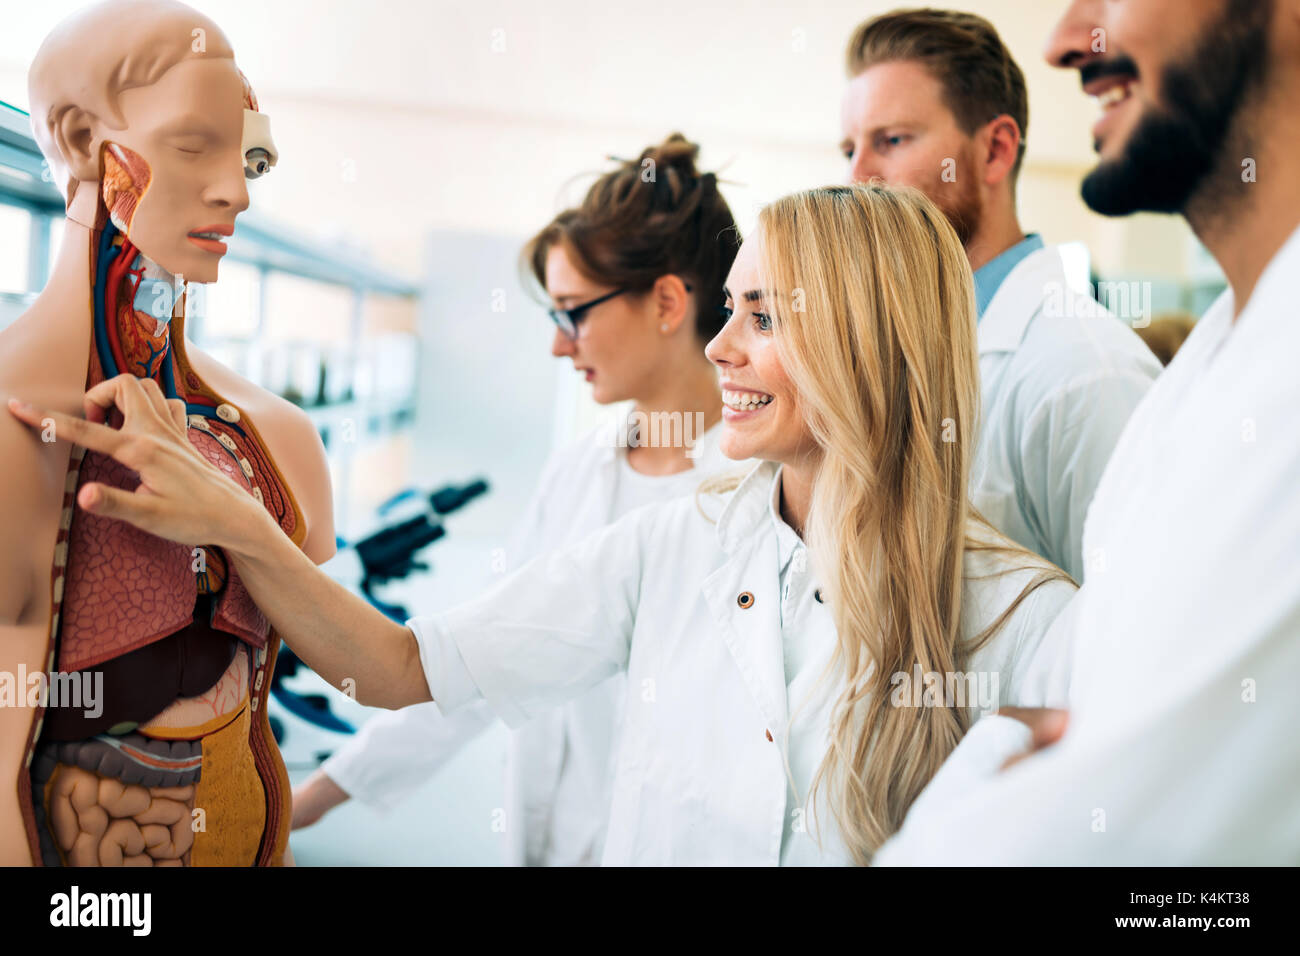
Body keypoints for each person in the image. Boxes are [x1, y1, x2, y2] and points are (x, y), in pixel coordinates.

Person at [10, 183, 1078, 865]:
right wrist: (235, 519)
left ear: (861, 342)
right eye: (729, 309)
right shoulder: (680, 542)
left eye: (763, 316)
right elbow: (395, 664)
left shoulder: (1020, 616)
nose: (720, 347)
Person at [872, 0, 1300, 865]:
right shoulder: (1209, 374)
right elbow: (1056, 700)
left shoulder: (1102, 371)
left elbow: (1136, 834)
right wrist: (1011, 755)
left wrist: (1020, 768)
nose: (1068, 41)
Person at [292, 134, 742, 866]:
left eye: (574, 312)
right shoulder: (579, 471)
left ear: (666, 301)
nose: (559, 347)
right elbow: (477, 663)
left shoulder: (760, 498)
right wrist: (308, 801)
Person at [839, 8, 1161, 581]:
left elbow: (1138, 622)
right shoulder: (904, 356)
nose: (857, 178)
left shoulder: (1086, 372)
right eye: (849, 150)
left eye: (891, 140)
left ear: (995, 151)